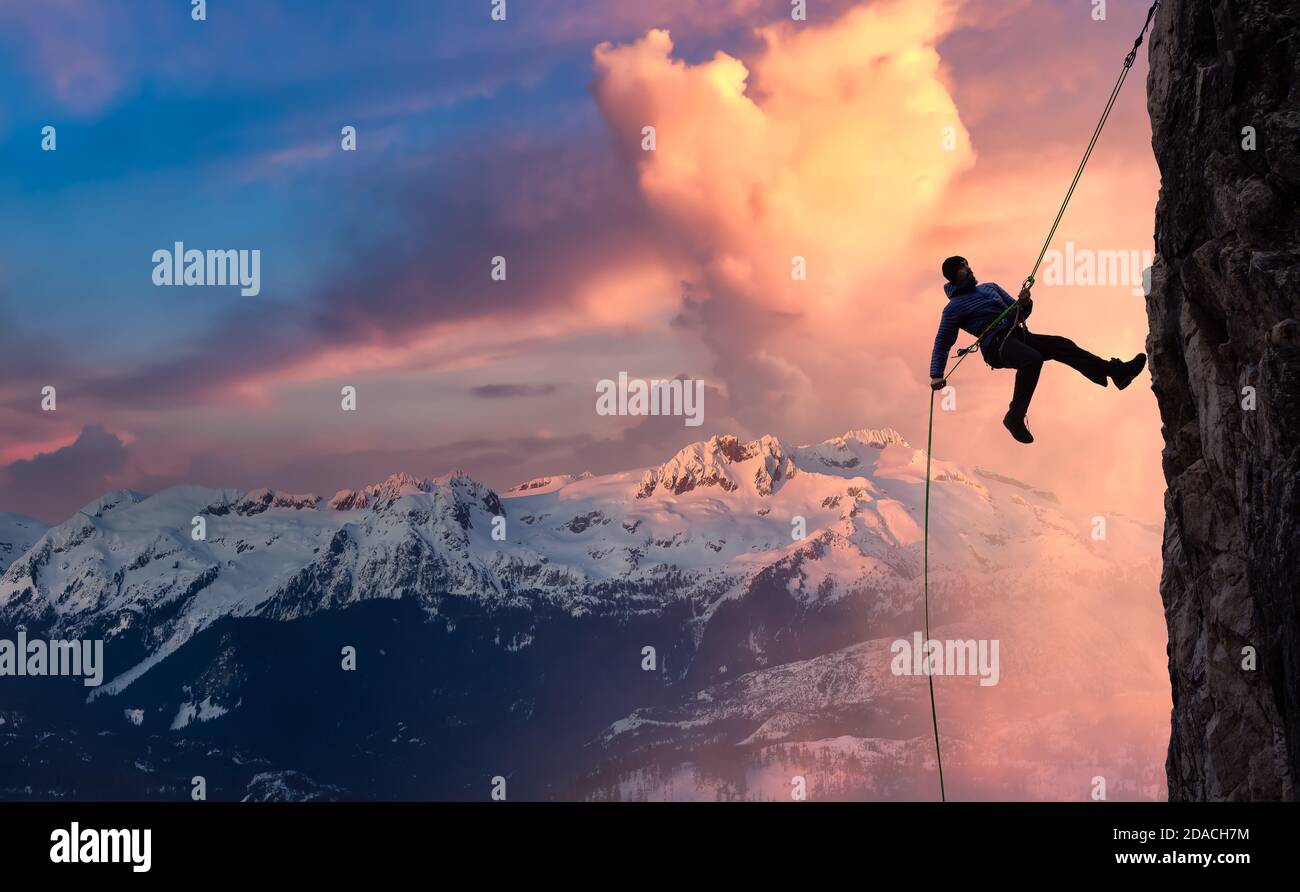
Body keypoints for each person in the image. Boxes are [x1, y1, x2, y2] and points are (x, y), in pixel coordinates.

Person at [928, 256, 1146, 443]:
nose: (969, 269)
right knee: (1032, 360)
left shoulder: (990, 287)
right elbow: (942, 342)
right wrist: (936, 375)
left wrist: (1024, 302)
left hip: (1018, 336)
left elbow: (1019, 313)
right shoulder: (953, 309)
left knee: (1062, 344)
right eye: (962, 267)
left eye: (967, 265)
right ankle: (1015, 415)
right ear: (953, 276)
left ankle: (1114, 372)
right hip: (996, 345)